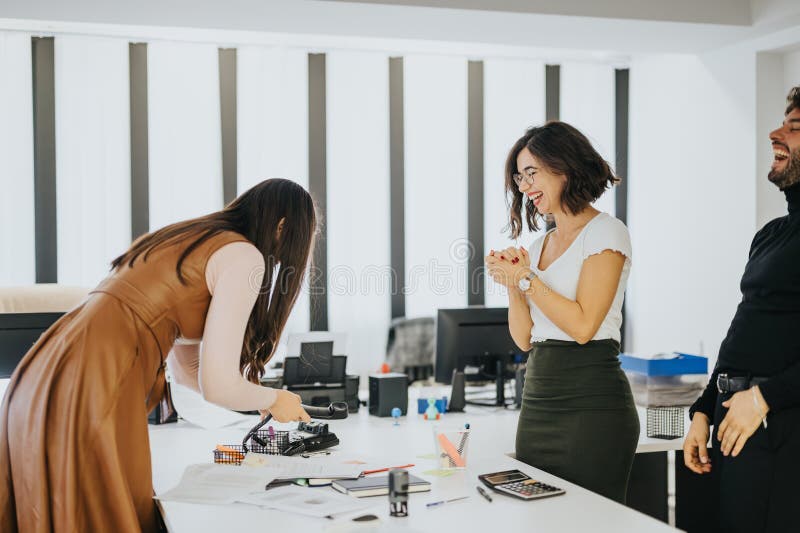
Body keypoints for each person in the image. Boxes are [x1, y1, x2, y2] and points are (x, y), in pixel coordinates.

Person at [0, 178, 314, 532]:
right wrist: (276, 396)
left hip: (46, 369)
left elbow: (187, 373)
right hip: (96, 374)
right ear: (283, 227)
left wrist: (257, 399)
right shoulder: (244, 256)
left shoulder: (192, 239)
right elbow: (218, 385)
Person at [486, 122, 638, 503]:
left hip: (592, 403)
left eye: (531, 173)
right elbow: (525, 338)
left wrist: (525, 278)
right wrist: (512, 282)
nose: (523, 187)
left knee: (589, 521)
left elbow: (585, 326)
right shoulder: (538, 247)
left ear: (564, 167)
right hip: (539, 401)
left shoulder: (607, 232)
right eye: (519, 178)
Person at [683, 86, 800, 532]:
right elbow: (743, 331)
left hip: (782, 423)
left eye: (794, 127)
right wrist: (704, 408)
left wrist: (765, 398)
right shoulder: (771, 234)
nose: (776, 133)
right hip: (740, 423)